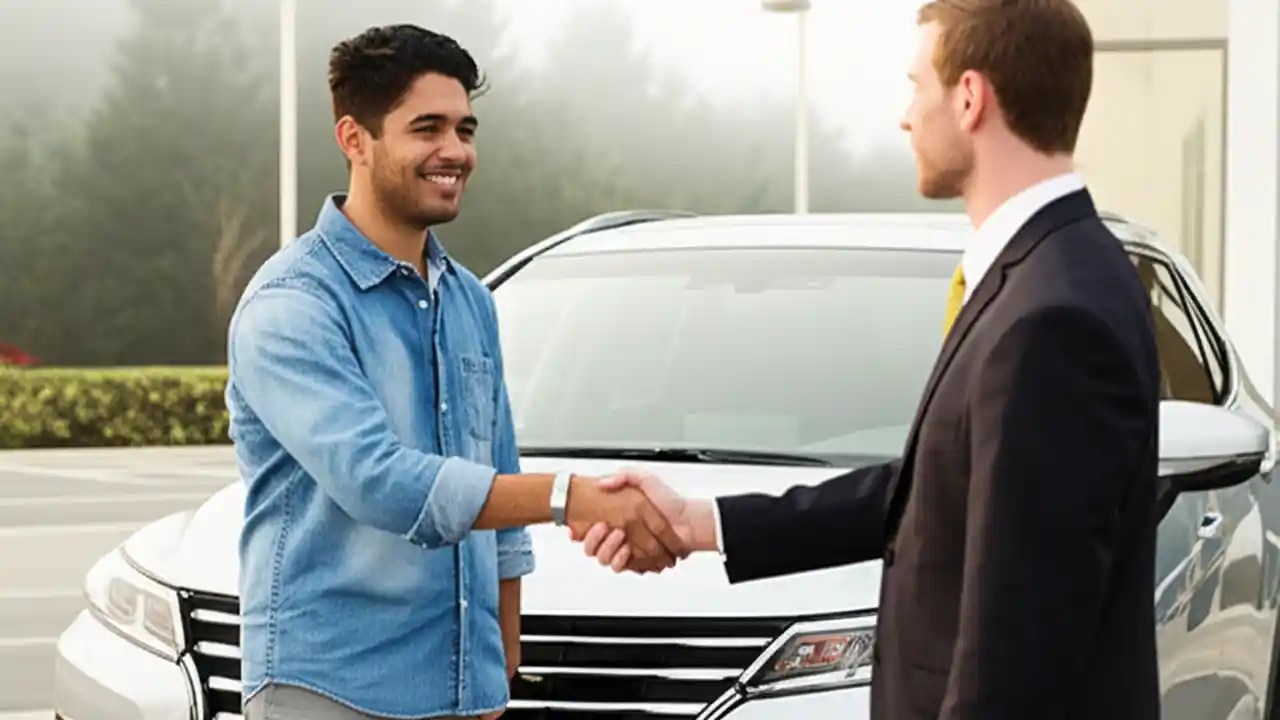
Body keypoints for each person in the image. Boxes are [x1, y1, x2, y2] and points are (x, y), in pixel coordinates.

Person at [578, 2, 1162, 718]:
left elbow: (1020, 654)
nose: (905, 117)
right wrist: (701, 522)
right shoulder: (1048, 274)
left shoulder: (1053, 316)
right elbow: (933, 490)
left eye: (917, 86)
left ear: (970, 98)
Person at [225, 25, 687, 720]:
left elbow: (495, 468)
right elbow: (378, 481)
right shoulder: (293, 303)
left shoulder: (468, 298)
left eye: (465, 129)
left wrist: (496, 666)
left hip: (464, 693)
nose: (456, 151)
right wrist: (573, 497)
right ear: (354, 139)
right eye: (428, 128)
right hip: (331, 690)